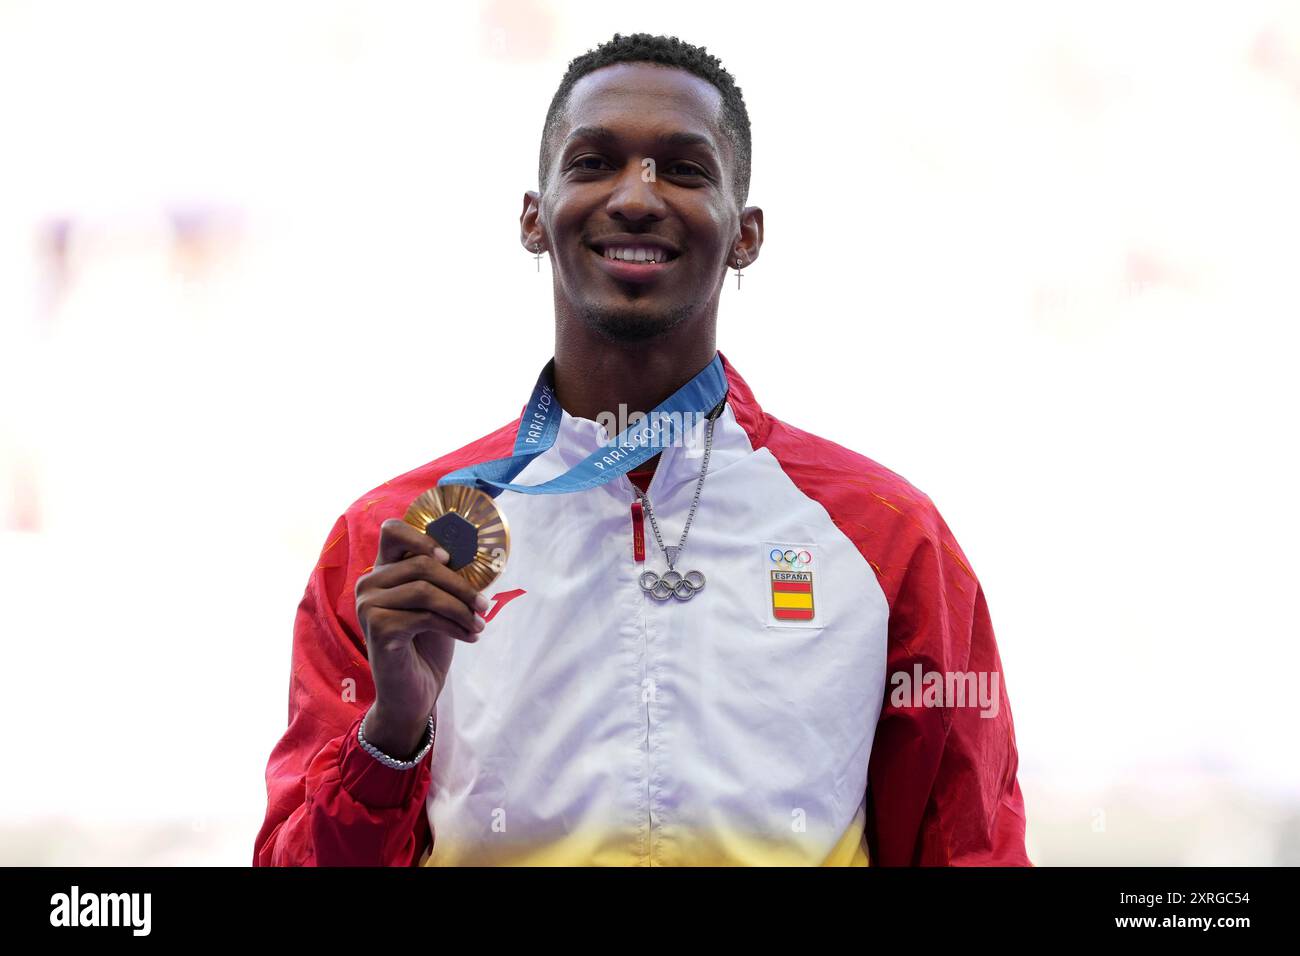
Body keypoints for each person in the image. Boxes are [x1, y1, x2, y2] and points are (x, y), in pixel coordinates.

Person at [254, 32, 1030, 866]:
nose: (636, 197)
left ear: (746, 235)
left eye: (685, 169)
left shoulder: (889, 538)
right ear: (532, 218)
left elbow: (969, 848)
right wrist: (389, 738)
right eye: (593, 163)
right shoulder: (397, 541)